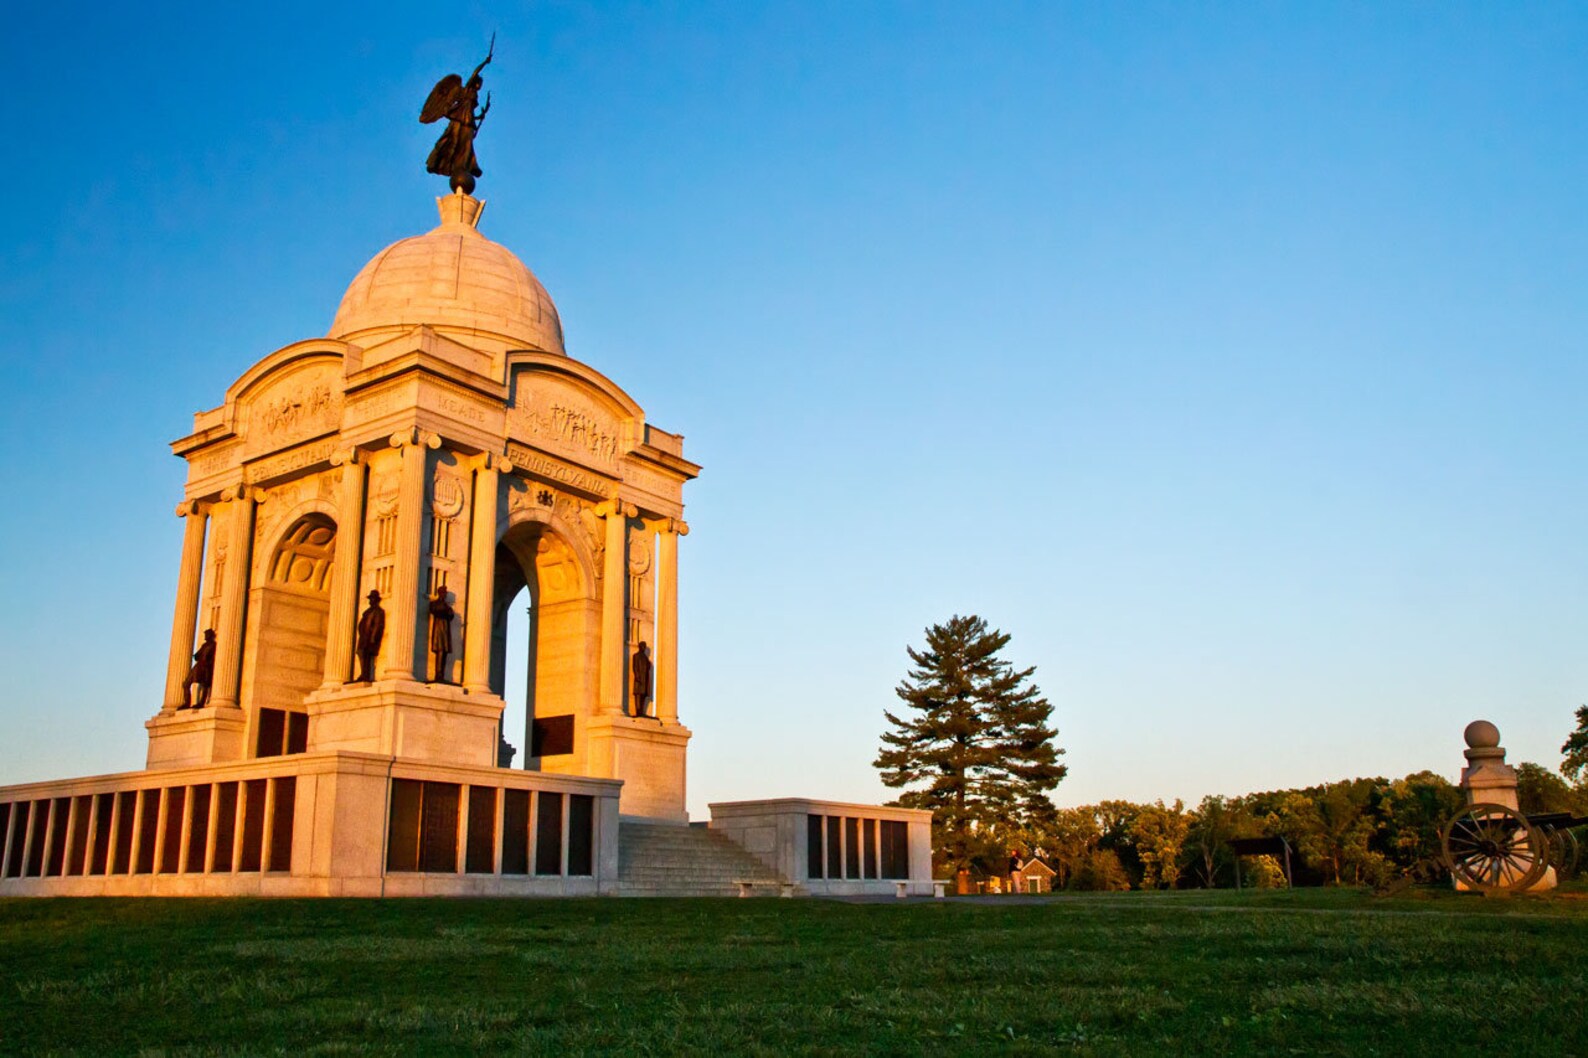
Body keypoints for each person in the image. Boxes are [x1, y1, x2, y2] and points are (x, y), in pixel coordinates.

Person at [182, 628, 217, 708]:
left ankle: (201, 703)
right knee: (186, 684)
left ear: (210, 635)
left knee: (205, 684)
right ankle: (187, 703)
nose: (205, 636)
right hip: (199, 666)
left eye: (206, 634)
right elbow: (197, 656)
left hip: (206, 667)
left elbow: (212, 657)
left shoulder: (213, 645)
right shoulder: (204, 645)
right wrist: (196, 656)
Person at [354, 590, 384, 683]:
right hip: (364, 636)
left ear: (376, 600)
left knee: (366, 655)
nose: (370, 600)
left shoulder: (378, 611)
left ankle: (365, 674)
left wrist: (373, 638)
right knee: (360, 652)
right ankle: (363, 673)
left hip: (368, 637)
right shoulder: (368, 611)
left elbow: (378, 625)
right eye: (370, 599)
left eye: (372, 599)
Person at [428, 586, 456, 684]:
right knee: (440, 651)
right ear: (440, 593)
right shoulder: (434, 604)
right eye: (443, 593)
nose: (445, 595)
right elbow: (436, 610)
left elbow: (451, 615)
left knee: (444, 652)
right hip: (439, 631)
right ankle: (438, 674)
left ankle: (442, 675)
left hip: (445, 631)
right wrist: (446, 611)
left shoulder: (447, 606)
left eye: (445, 593)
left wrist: (447, 611)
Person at [631, 641, 654, 718]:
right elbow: (635, 667)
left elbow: (647, 668)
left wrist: (649, 665)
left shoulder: (645, 658)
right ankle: (638, 711)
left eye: (645, 646)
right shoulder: (636, 656)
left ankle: (642, 711)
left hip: (645, 679)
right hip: (639, 679)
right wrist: (637, 677)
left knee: (643, 695)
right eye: (643, 646)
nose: (644, 648)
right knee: (638, 695)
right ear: (640, 647)